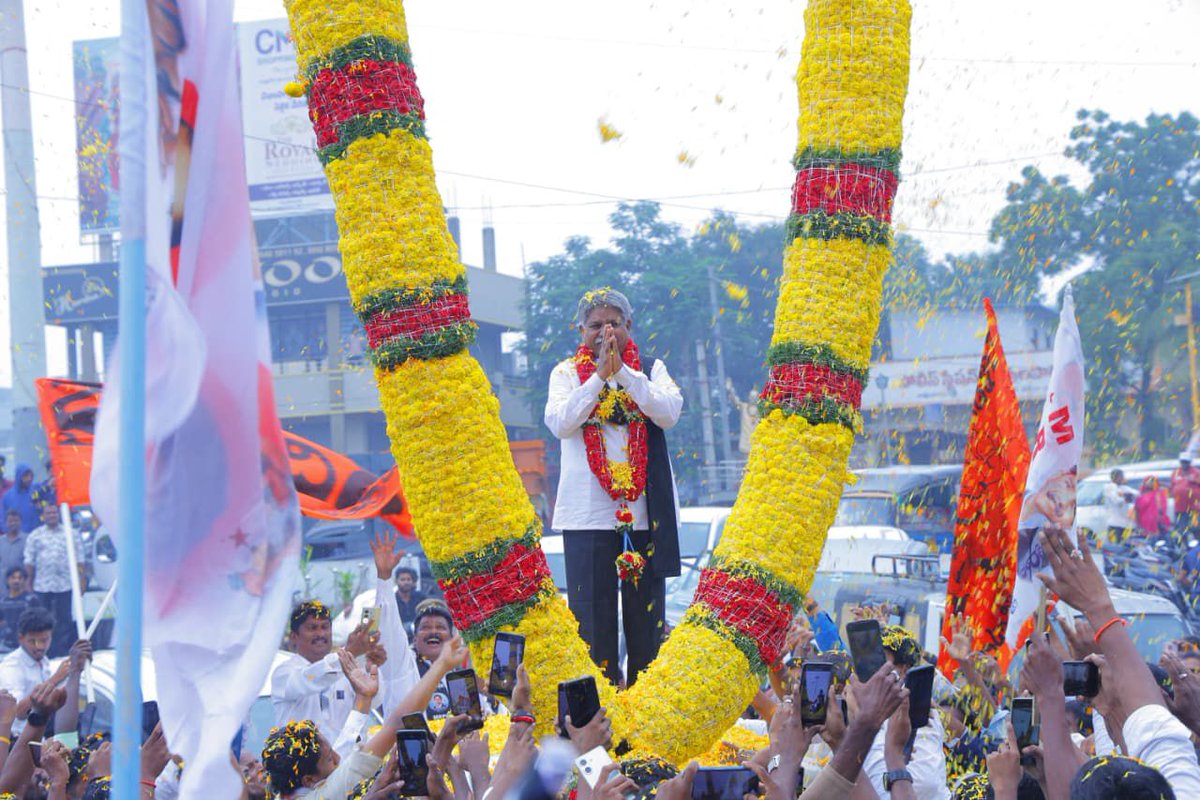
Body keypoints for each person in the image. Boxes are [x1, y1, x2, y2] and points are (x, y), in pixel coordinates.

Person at [544, 287, 683, 687]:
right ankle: (599, 715)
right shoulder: (566, 373)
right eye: (596, 325)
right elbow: (560, 422)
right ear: (581, 331)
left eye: (613, 324)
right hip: (587, 520)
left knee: (647, 632)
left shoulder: (650, 369)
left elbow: (669, 412)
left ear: (629, 326)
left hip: (643, 519)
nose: (605, 332)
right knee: (592, 628)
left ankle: (645, 711)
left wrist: (623, 373)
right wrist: (599, 378)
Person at [23, 502, 84, 659]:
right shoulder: (35, 535)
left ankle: (62, 651)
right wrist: (28, 581)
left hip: (65, 584)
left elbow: (80, 558)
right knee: (41, 619)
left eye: (54, 513)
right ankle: (44, 651)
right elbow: (29, 560)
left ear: (59, 515)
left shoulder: (71, 533)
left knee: (65, 619)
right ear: (43, 516)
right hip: (42, 584)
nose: (52, 515)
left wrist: (81, 580)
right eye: (48, 513)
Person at [0, 567, 40, 651]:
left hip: (27, 645)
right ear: (7, 580)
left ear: (24, 580)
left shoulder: (32, 600)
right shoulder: (2, 602)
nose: (16, 581)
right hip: (5, 646)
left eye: (20, 578)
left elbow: (39, 622)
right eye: (13, 577)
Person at [1, 467, 39, 534]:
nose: (29, 478)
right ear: (19, 476)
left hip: (36, 534)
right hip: (16, 537)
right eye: (26, 476)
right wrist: (11, 533)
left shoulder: (35, 491)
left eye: (31, 476)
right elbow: (2, 518)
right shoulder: (7, 496)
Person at [1101, 468, 1136, 543]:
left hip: (1125, 524)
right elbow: (1115, 500)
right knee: (1115, 546)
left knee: (1125, 546)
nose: (1123, 478)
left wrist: (1128, 495)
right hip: (1115, 524)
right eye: (1121, 476)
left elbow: (1136, 494)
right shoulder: (1109, 487)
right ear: (1115, 477)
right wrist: (1125, 498)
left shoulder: (1123, 487)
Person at [1172, 453, 1200, 537]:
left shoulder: (1196, 473)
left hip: (1194, 508)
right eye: (1183, 462)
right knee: (1181, 529)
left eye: (1186, 462)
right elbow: (1172, 486)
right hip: (1180, 508)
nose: (1184, 464)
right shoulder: (1176, 473)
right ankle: (1184, 544)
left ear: (1189, 462)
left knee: (1196, 528)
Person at [392, 566, 425, 631]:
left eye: (408, 579)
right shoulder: (391, 600)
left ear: (413, 581)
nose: (406, 582)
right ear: (396, 581)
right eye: (402, 580)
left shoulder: (421, 598)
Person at [0, 512, 26, 586]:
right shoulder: (1, 541)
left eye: (16, 520)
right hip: (2, 583)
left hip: (21, 583)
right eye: (10, 521)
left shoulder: (28, 540)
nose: (13, 523)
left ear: (20, 522)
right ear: (6, 523)